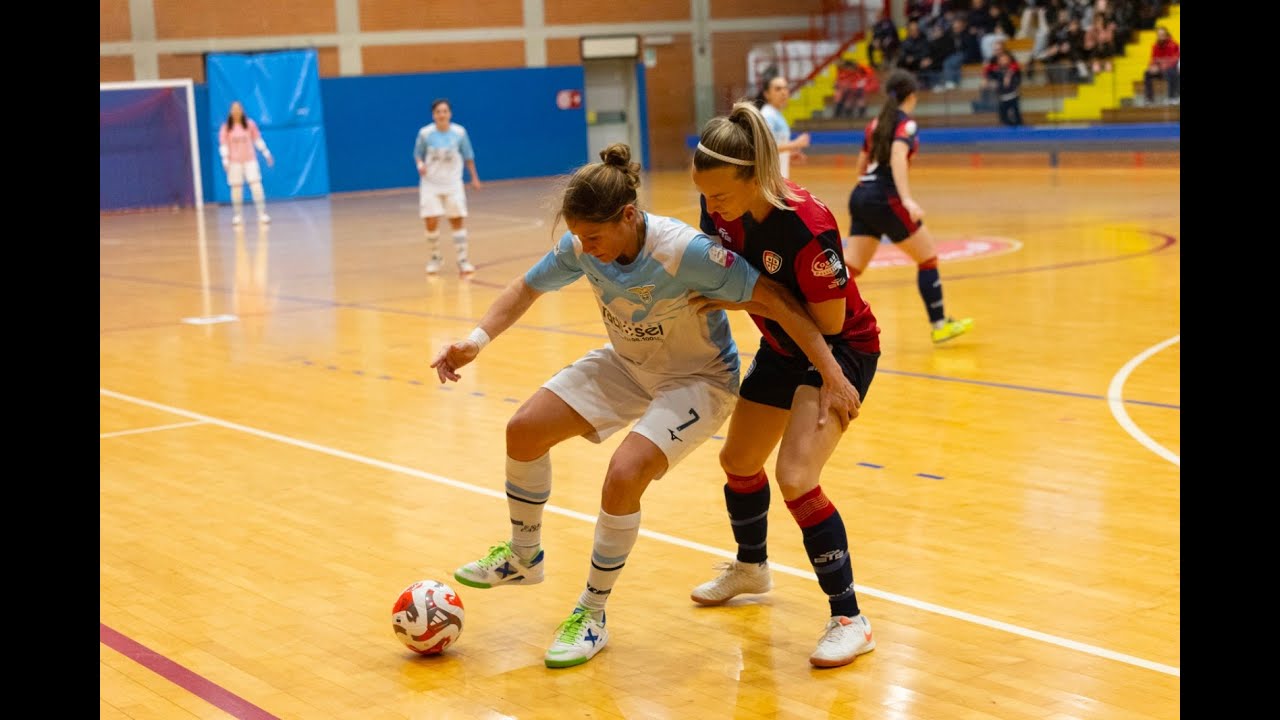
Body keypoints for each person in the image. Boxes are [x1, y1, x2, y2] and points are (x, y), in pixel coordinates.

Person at [431, 144, 861, 669]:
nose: (585, 249)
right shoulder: (582, 245)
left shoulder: (685, 251)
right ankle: (524, 556)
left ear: (629, 217)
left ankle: (591, 613)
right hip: (629, 363)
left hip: (698, 379)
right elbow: (525, 287)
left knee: (623, 473)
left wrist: (832, 370)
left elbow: (774, 299)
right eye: (579, 238)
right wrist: (475, 341)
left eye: (594, 238)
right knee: (522, 429)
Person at [688, 100, 882, 669]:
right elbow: (726, 275)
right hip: (779, 344)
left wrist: (739, 294)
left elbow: (827, 324)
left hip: (840, 350)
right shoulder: (719, 206)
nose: (712, 207)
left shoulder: (806, 225)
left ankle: (850, 617)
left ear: (755, 177)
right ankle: (752, 566)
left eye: (721, 195)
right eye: (706, 196)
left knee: (796, 477)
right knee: (738, 461)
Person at [844, 70, 973, 344]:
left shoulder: (875, 124)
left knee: (850, 268)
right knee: (927, 258)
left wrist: (867, 189)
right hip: (885, 196)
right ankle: (939, 325)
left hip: (861, 194)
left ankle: (817, 313)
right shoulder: (907, 125)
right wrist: (906, 199)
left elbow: (861, 164)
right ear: (912, 96)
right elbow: (898, 157)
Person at [414, 98, 483, 276]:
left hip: (453, 183)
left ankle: (463, 260)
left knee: (457, 219)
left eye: (445, 111)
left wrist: (474, 177)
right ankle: (435, 258)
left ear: (450, 113)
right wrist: (420, 164)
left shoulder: (459, 133)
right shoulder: (425, 133)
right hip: (430, 184)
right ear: (433, 115)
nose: (441, 114)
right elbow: (417, 154)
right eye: (438, 112)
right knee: (430, 220)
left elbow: (468, 155)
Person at [218, 101, 274, 225]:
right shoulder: (226, 127)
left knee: (256, 186)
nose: (236, 111)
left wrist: (266, 153)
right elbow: (223, 145)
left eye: (238, 109)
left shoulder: (250, 124)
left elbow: (257, 139)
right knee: (236, 189)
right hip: (234, 162)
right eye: (234, 109)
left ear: (242, 110)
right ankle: (237, 215)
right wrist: (225, 159)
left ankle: (262, 214)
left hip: (250, 160)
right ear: (231, 112)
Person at [755, 75, 811, 179]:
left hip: (778, 178)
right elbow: (763, 148)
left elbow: (774, 148)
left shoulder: (777, 114)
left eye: (785, 88)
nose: (783, 92)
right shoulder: (767, 115)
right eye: (778, 89)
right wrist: (795, 144)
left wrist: (787, 155)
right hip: (769, 180)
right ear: (767, 94)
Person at [1143, 26, 1179, 105]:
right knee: (1147, 73)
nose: (1160, 37)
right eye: (1159, 35)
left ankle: (1172, 97)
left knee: (1171, 72)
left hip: (1170, 69)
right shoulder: (1155, 46)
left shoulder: (1173, 45)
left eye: (1162, 35)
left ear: (1166, 35)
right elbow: (1153, 59)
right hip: (1160, 70)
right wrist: (1152, 67)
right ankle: (1149, 99)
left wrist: (1161, 65)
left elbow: (1174, 60)